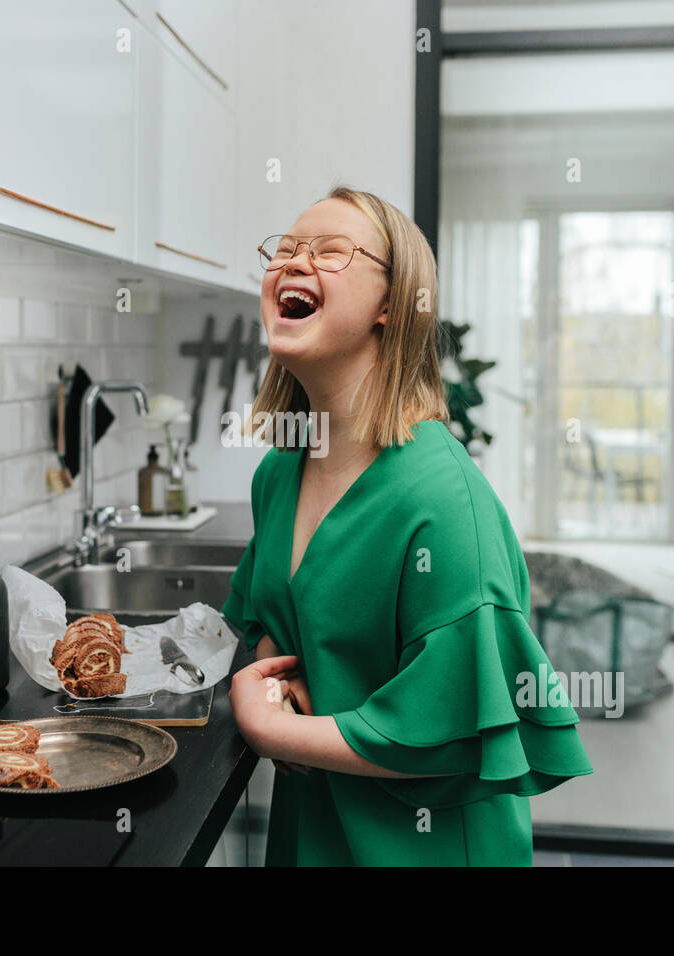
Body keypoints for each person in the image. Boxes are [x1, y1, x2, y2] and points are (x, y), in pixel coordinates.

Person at [223, 185, 594, 866]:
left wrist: (266, 727)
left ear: (392, 306)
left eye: (331, 252)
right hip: (314, 835)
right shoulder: (279, 473)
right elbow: (275, 623)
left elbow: (451, 731)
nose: (294, 264)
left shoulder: (446, 504)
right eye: (285, 251)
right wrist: (276, 680)